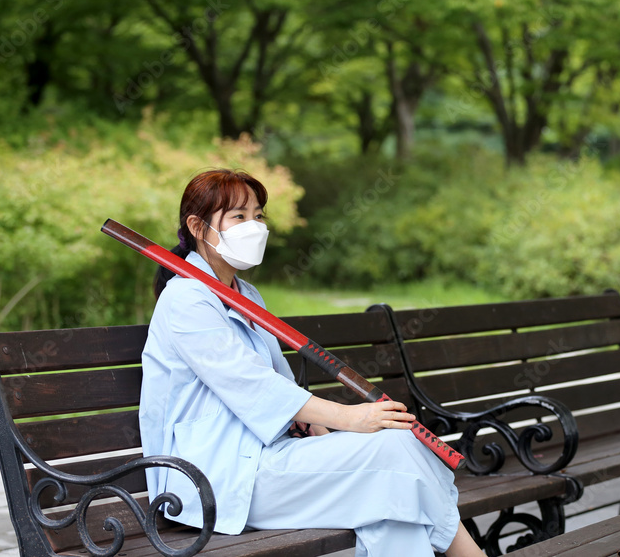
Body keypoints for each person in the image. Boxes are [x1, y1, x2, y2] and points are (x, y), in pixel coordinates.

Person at [139, 169, 483, 557]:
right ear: (198, 226)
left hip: (266, 460)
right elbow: (253, 386)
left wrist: (321, 428)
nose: (253, 226)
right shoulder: (186, 299)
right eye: (239, 216)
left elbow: (281, 384)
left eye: (258, 215)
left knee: (391, 493)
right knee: (395, 456)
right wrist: (351, 419)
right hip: (218, 479)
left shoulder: (244, 294)